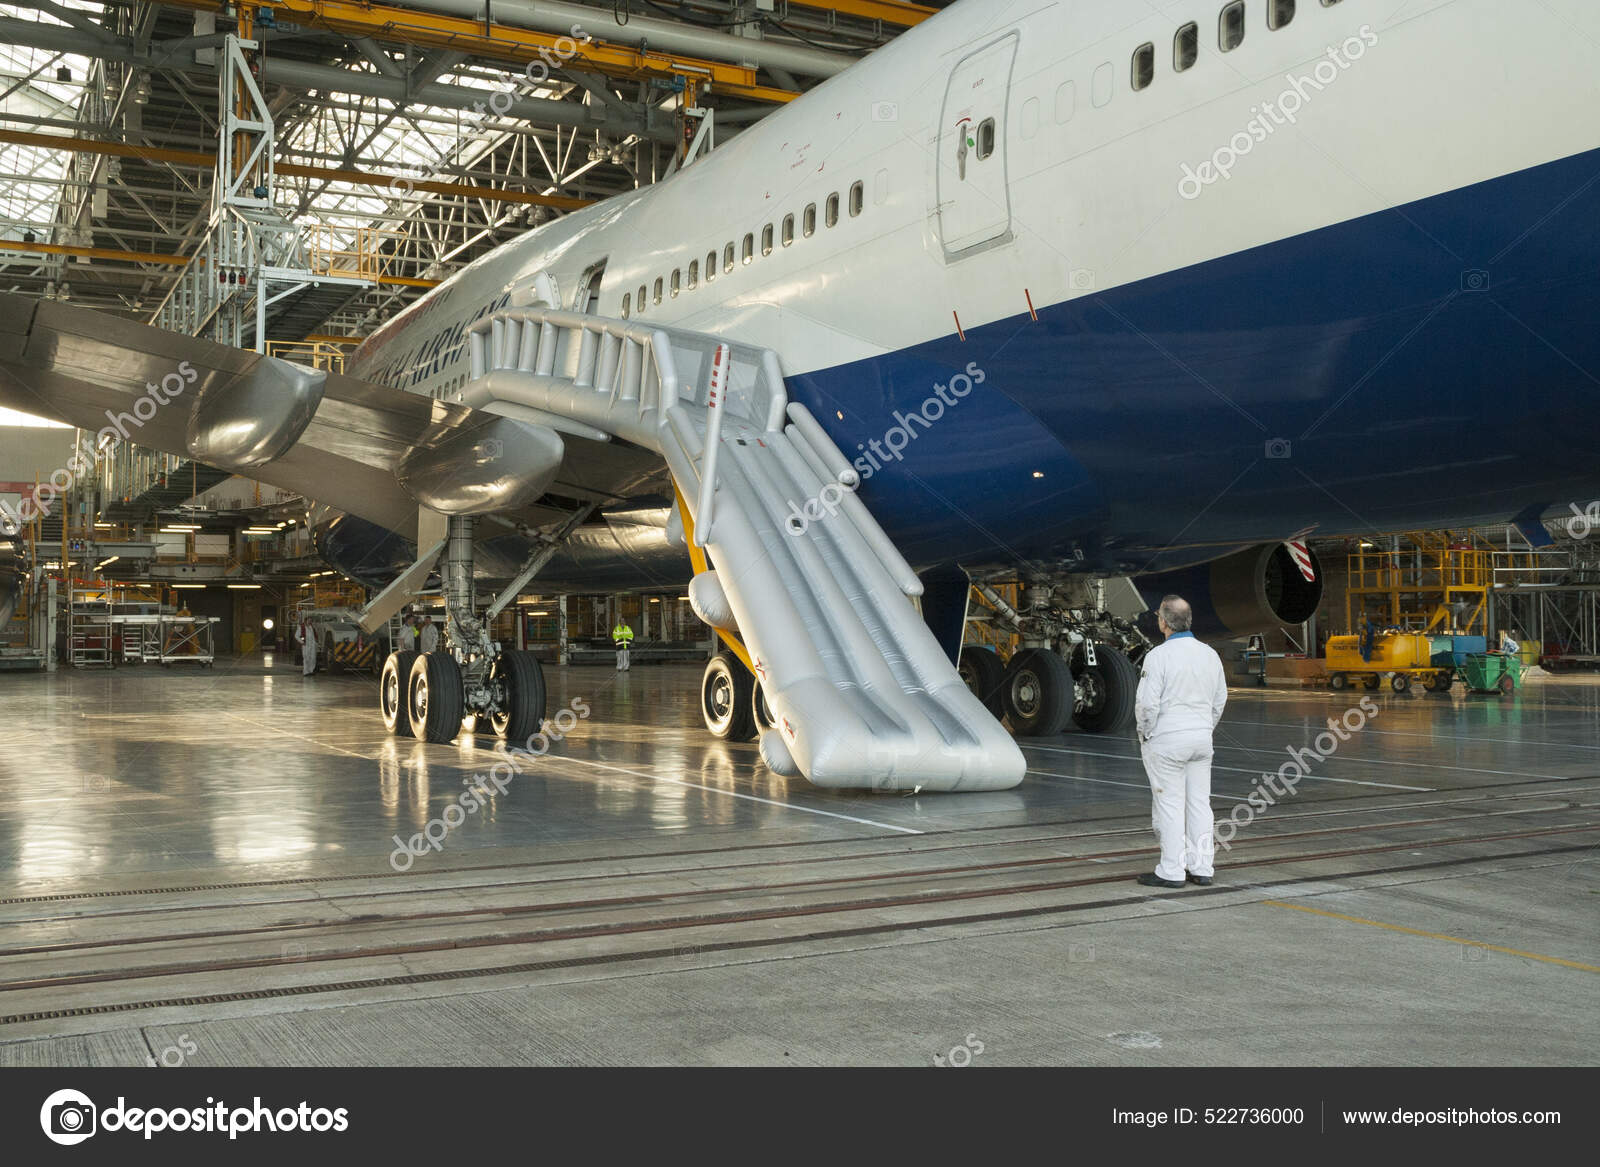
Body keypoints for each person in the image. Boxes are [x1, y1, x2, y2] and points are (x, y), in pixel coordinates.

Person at [1133, 595, 1228, 889]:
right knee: (1200, 804)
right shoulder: (1210, 654)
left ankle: (1171, 870)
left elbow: (1147, 704)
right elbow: (1220, 699)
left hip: (1168, 742)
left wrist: (1145, 733)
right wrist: (1205, 728)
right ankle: (1202, 867)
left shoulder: (1158, 656)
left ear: (1163, 622)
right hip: (1201, 740)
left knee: (1170, 805)